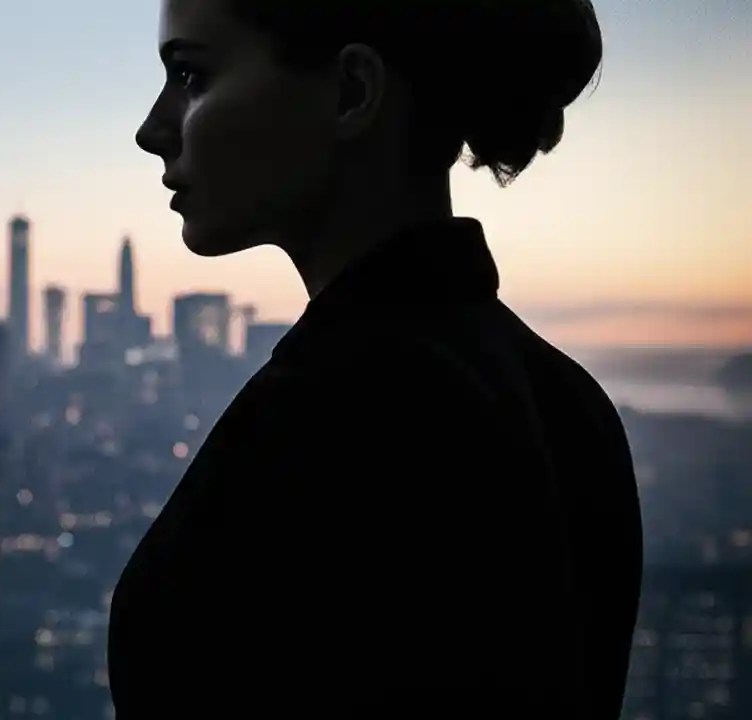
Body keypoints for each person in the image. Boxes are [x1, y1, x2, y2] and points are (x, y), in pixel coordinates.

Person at [107, 0, 644, 717]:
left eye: (191, 76)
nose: (151, 130)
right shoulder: (568, 401)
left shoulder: (335, 420)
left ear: (352, 91)